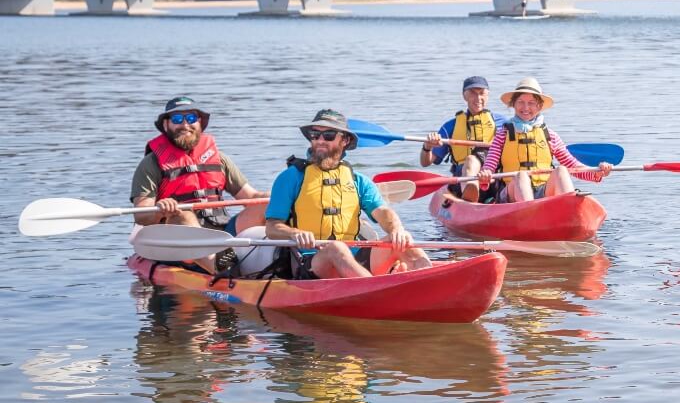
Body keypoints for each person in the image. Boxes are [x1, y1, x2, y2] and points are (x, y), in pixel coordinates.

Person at [264, 109, 429, 279]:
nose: (320, 140)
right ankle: (372, 290)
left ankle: (429, 283)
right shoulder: (290, 177)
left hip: (356, 258)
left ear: (345, 140)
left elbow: (383, 212)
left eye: (328, 135)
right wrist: (294, 233)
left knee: (404, 241)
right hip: (311, 261)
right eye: (315, 134)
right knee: (337, 247)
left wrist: (397, 230)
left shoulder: (359, 180)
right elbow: (272, 227)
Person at [132, 96, 268, 272]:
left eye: (191, 119)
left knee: (267, 203)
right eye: (177, 119)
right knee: (183, 213)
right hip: (178, 242)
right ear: (166, 125)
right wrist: (159, 209)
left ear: (200, 123)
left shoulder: (219, 159)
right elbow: (141, 214)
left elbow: (251, 198)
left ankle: (288, 258)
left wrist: (276, 197)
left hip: (222, 233)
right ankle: (222, 269)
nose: (185, 125)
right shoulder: (151, 164)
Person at [476, 77, 613, 202]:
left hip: (543, 190)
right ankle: (530, 213)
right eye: (520, 102)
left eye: (531, 103)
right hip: (512, 193)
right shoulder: (502, 135)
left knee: (561, 170)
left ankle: (569, 209)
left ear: (539, 106)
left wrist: (598, 172)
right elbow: (490, 167)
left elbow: (574, 167)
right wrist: (486, 176)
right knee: (521, 176)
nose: (525, 108)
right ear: (513, 104)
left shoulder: (550, 136)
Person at [419, 75, 497, 203]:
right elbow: (425, 162)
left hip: (494, 176)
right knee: (471, 160)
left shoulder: (501, 123)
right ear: (464, 96)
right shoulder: (450, 126)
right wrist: (427, 147)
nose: (478, 98)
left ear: (487, 95)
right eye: (472, 93)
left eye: (482, 93)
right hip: (461, 180)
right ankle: (470, 198)